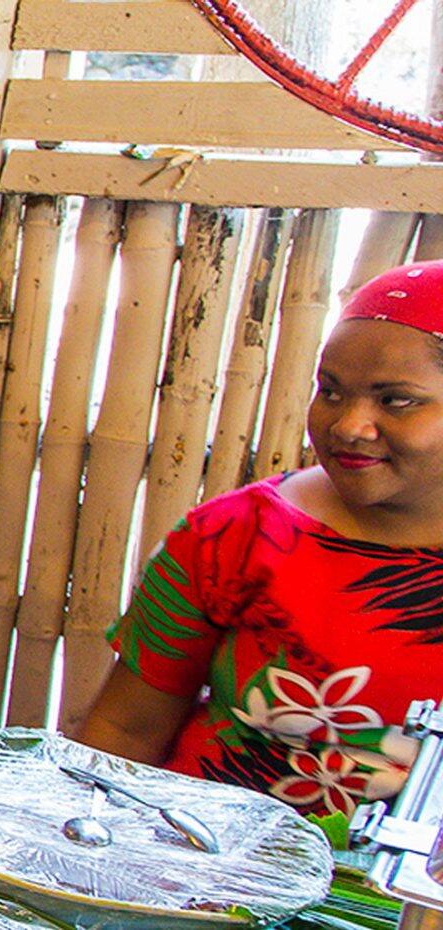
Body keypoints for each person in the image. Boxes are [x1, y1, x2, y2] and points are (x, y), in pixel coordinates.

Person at [75, 260, 443, 818]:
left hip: (402, 901)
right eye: (332, 391)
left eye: (396, 400)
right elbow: (124, 730)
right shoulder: (232, 536)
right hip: (201, 867)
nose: (348, 425)